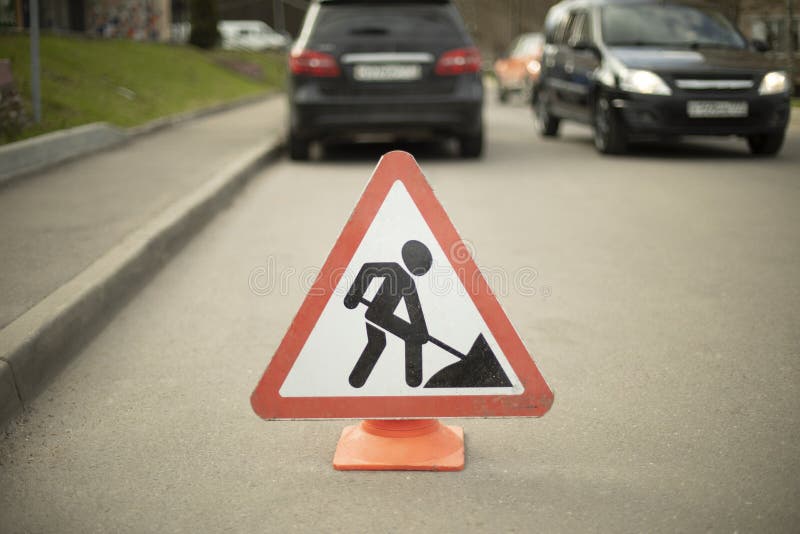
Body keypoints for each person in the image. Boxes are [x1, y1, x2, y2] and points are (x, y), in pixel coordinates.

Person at [343, 240, 433, 388]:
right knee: (380, 343)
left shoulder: (407, 281)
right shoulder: (395, 270)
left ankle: (413, 377)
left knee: (398, 339)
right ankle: (357, 380)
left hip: (382, 316)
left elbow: (414, 310)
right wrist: (353, 296)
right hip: (376, 314)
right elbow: (368, 270)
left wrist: (421, 331)